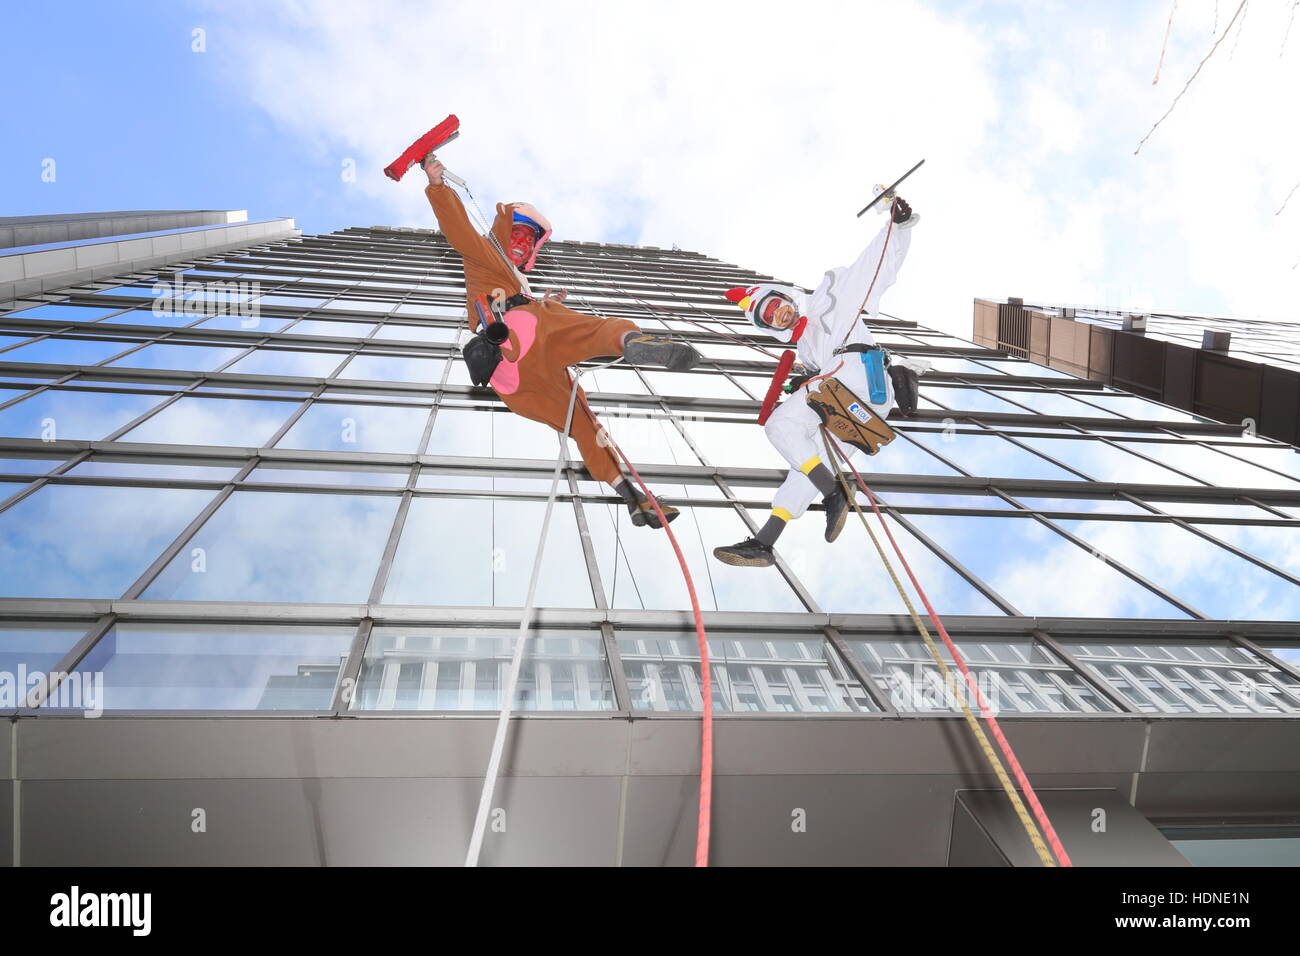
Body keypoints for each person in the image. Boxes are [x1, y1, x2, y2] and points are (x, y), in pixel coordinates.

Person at [421, 156, 701, 528]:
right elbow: (459, 231)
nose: (521, 244)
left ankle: (634, 498)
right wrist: (438, 187)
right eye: (517, 235)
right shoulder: (486, 257)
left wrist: (545, 299)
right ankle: (632, 341)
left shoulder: (518, 283)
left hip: (512, 380)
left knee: (584, 425)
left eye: (528, 240)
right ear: (503, 235)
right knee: (595, 330)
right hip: (520, 335)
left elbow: (520, 300)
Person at [713, 194, 924, 566]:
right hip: (861, 405)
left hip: (855, 373)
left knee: (780, 426)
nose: (779, 314)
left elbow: (871, 267)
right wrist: (804, 381)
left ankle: (835, 494)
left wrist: (897, 225)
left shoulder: (828, 301)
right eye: (770, 317)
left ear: (788, 298)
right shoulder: (806, 351)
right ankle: (766, 541)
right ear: (769, 327)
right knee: (805, 466)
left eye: (777, 304)